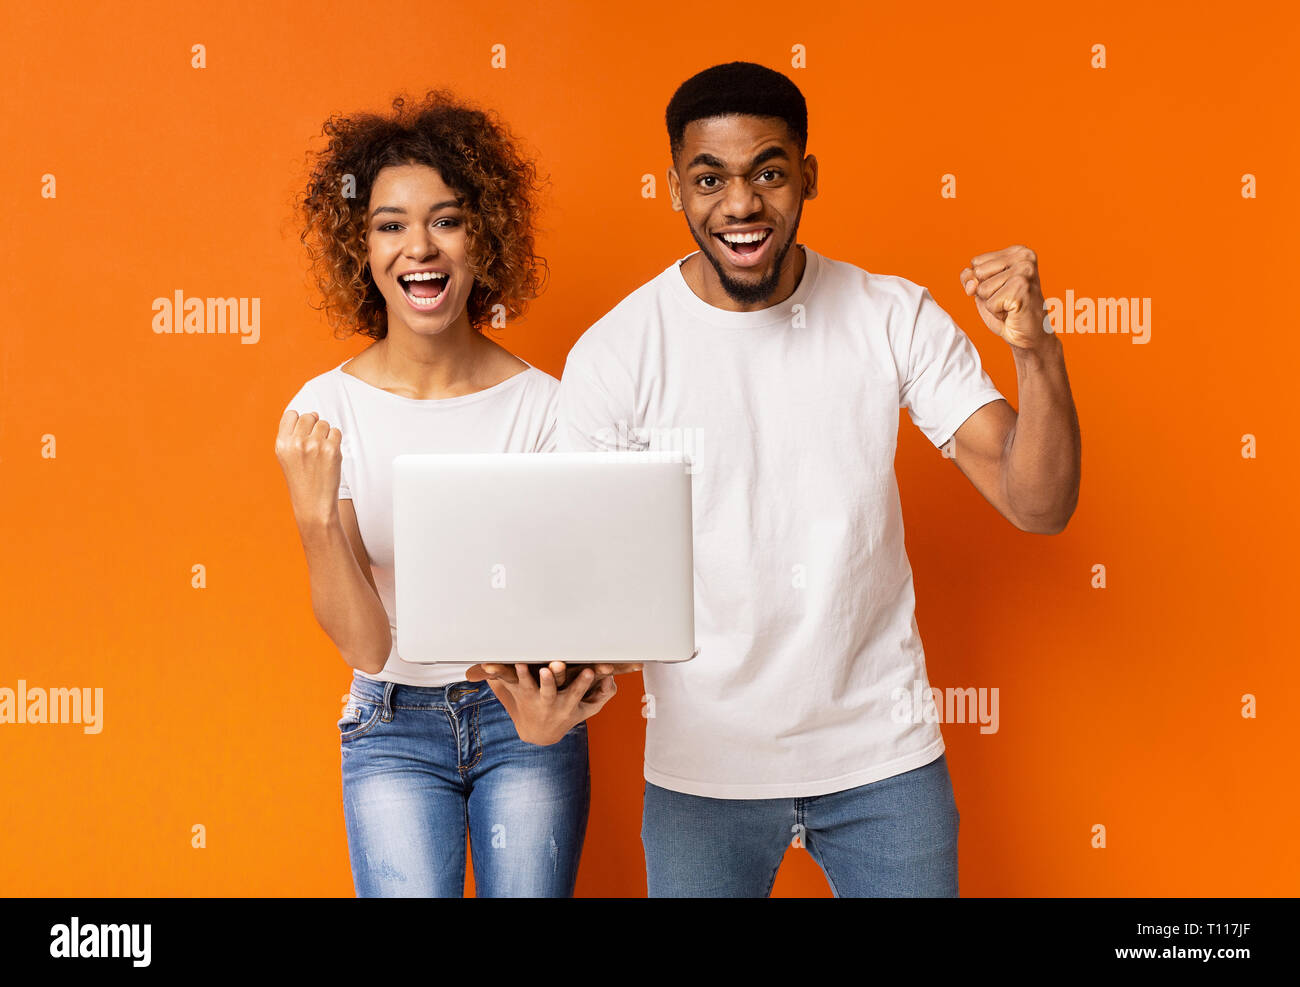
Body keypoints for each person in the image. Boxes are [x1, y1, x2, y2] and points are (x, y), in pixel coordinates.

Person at [555, 61, 1082, 897]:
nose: (740, 205)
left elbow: (1039, 502)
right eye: (709, 179)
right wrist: (558, 678)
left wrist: (1036, 352)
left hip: (882, 758)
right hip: (704, 769)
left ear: (807, 174)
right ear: (673, 188)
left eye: (767, 171)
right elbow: (586, 594)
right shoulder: (616, 355)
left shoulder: (890, 315)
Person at [276, 89, 625, 898]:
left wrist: (553, 707)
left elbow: (568, 603)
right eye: (390, 224)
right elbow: (367, 646)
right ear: (360, 247)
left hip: (520, 718)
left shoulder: (546, 404)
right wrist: (314, 518)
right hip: (390, 725)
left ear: (482, 236)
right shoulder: (325, 411)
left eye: (447, 219)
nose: (418, 247)